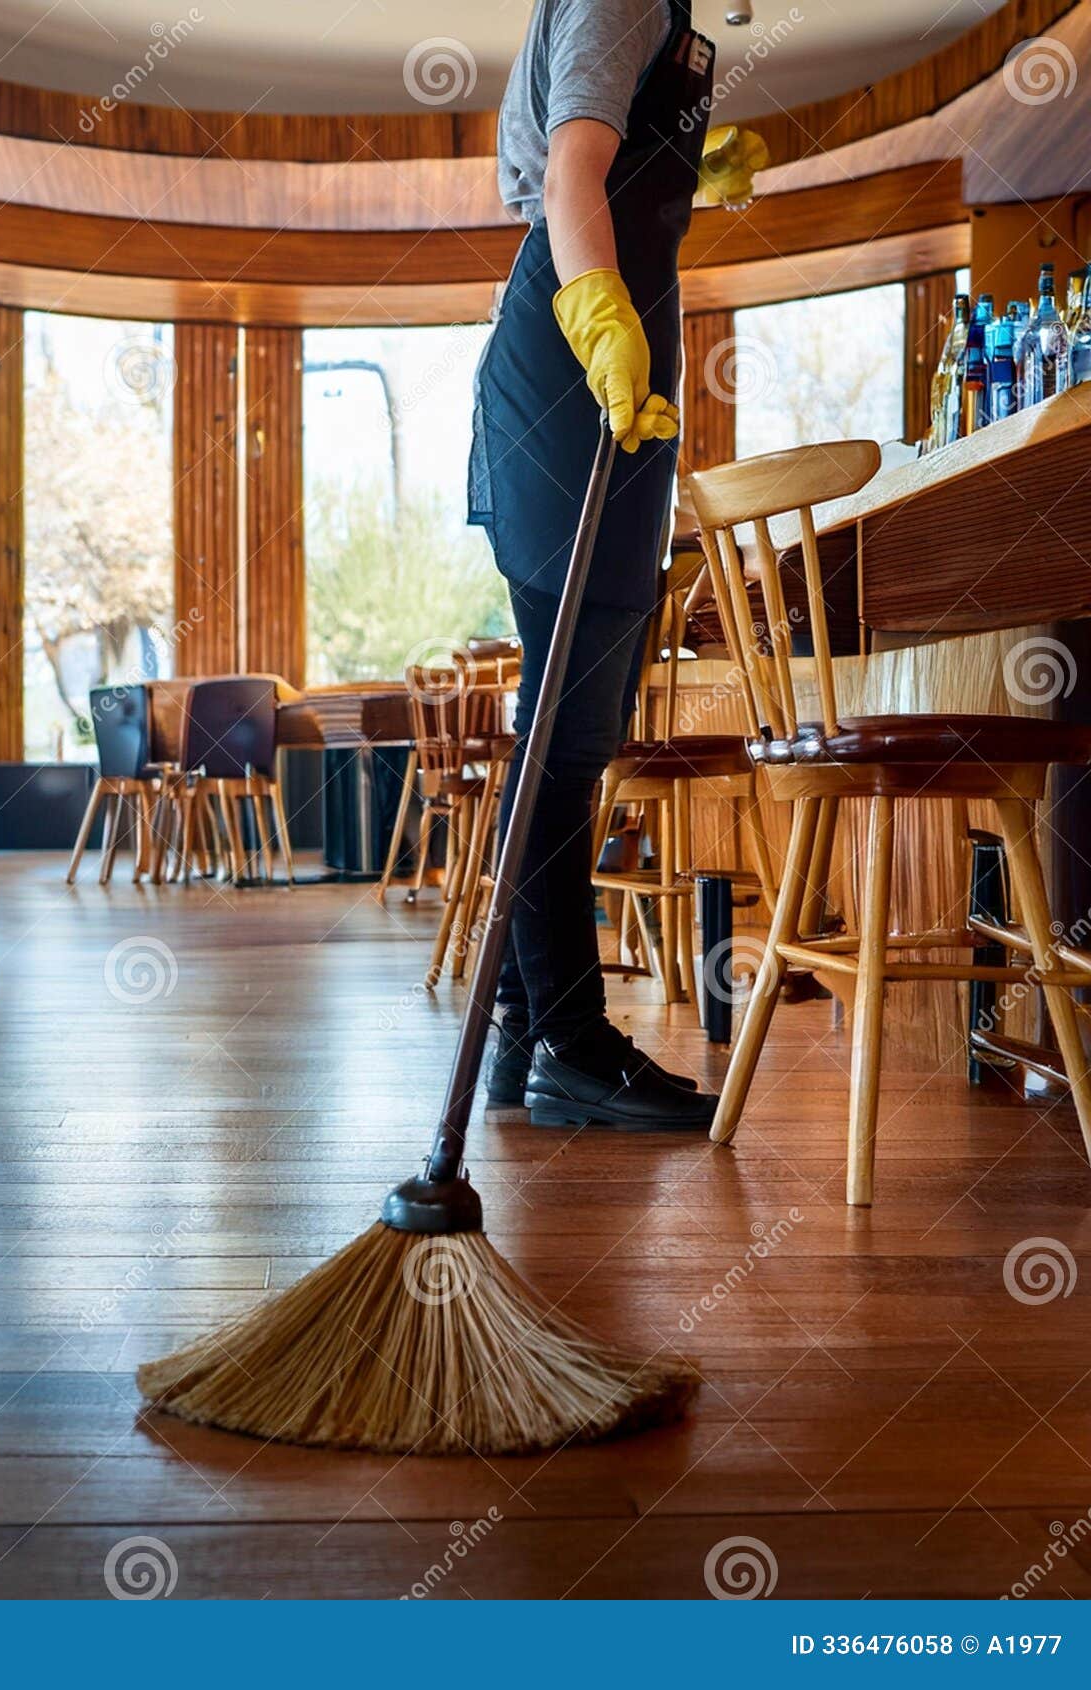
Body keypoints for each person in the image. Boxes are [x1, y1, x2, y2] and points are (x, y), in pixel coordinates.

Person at [467, 0, 757, 1130]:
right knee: (563, 728)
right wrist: (596, 314)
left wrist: (685, 174)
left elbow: (582, 162)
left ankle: (520, 1026)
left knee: (568, 722)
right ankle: (572, 1049)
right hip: (572, 361)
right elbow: (567, 169)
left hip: (596, 345)